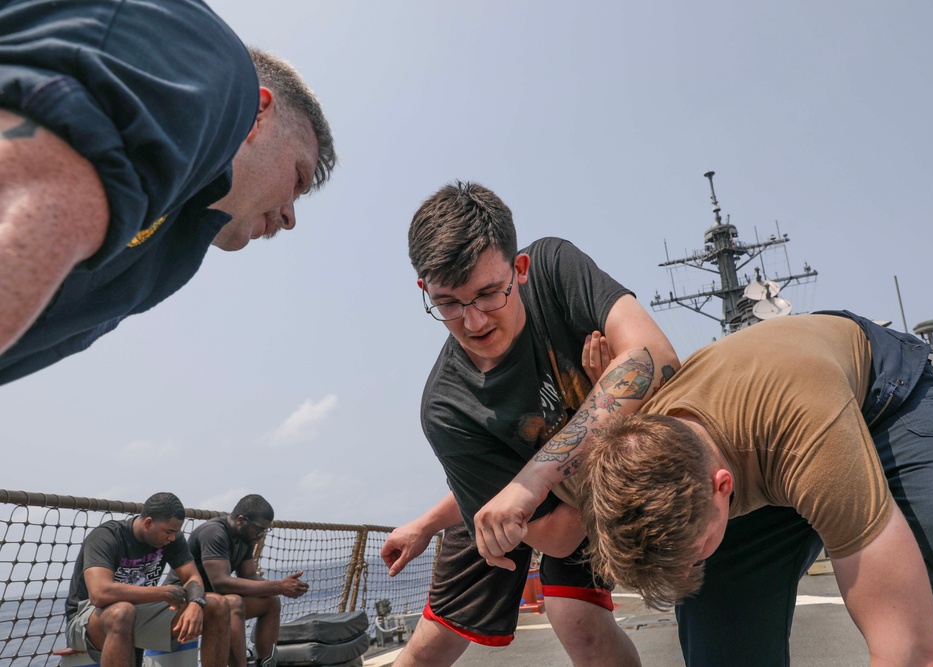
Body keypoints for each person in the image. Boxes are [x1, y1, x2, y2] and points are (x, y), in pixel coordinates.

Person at [574, 312, 933, 666]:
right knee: (719, 633)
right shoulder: (629, 446)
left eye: (694, 552)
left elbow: (912, 651)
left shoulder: (812, 442)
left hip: (881, 399)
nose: (688, 569)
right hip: (760, 447)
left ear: (722, 486)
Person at [380, 181, 680, 666]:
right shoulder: (445, 408)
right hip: (524, 501)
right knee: (427, 648)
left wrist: (536, 479)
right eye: (449, 304)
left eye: (488, 294)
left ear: (519, 270)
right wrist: (609, 406)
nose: (474, 322)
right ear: (425, 291)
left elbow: (657, 356)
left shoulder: (551, 269)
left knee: (575, 619)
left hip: (551, 488)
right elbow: (556, 535)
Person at [0, 0, 336, 385]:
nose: (290, 217)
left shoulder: (163, 253)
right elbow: (35, 187)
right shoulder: (210, 68)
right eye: (298, 179)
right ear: (258, 113)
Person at [65, 492, 230, 667]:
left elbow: (191, 577)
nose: (172, 538)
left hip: (139, 612)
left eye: (175, 532)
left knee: (217, 604)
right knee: (122, 612)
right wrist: (163, 592)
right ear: (148, 522)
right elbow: (100, 594)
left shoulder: (172, 539)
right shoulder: (106, 537)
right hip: (88, 618)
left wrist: (196, 603)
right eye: (168, 532)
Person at [164, 494, 308, 667]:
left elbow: (249, 576)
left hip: (212, 601)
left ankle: (266, 663)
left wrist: (283, 587)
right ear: (241, 520)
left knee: (271, 601)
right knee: (233, 602)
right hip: (181, 602)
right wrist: (279, 586)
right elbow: (221, 583)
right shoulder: (214, 532)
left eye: (265, 531)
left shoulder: (246, 538)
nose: (261, 535)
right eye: (259, 529)